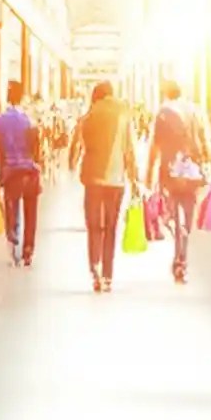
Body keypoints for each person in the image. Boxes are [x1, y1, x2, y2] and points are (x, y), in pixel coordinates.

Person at [144, 80, 211, 284]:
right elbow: (206, 142)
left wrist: (149, 172)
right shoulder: (196, 112)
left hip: (170, 172)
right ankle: (182, 258)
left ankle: (178, 247)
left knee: (172, 214)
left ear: (166, 93)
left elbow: (155, 146)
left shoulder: (163, 113)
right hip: (193, 172)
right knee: (188, 215)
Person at [70, 81, 139, 293]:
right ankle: (108, 275)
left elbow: (74, 153)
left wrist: (73, 163)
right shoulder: (123, 115)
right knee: (110, 227)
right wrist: (134, 178)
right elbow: (129, 150)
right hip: (116, 179)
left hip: (92, 178)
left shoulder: (87, 117)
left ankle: (95, 268)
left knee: (94, 226)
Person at [0, 81, 42, 268]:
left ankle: (13, 247)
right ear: (22, 97)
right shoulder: (30, 120)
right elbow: (37, 148)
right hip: (30, 171)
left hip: (10, 173)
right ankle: (28, 251)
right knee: (31, 213)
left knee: (12, 211)